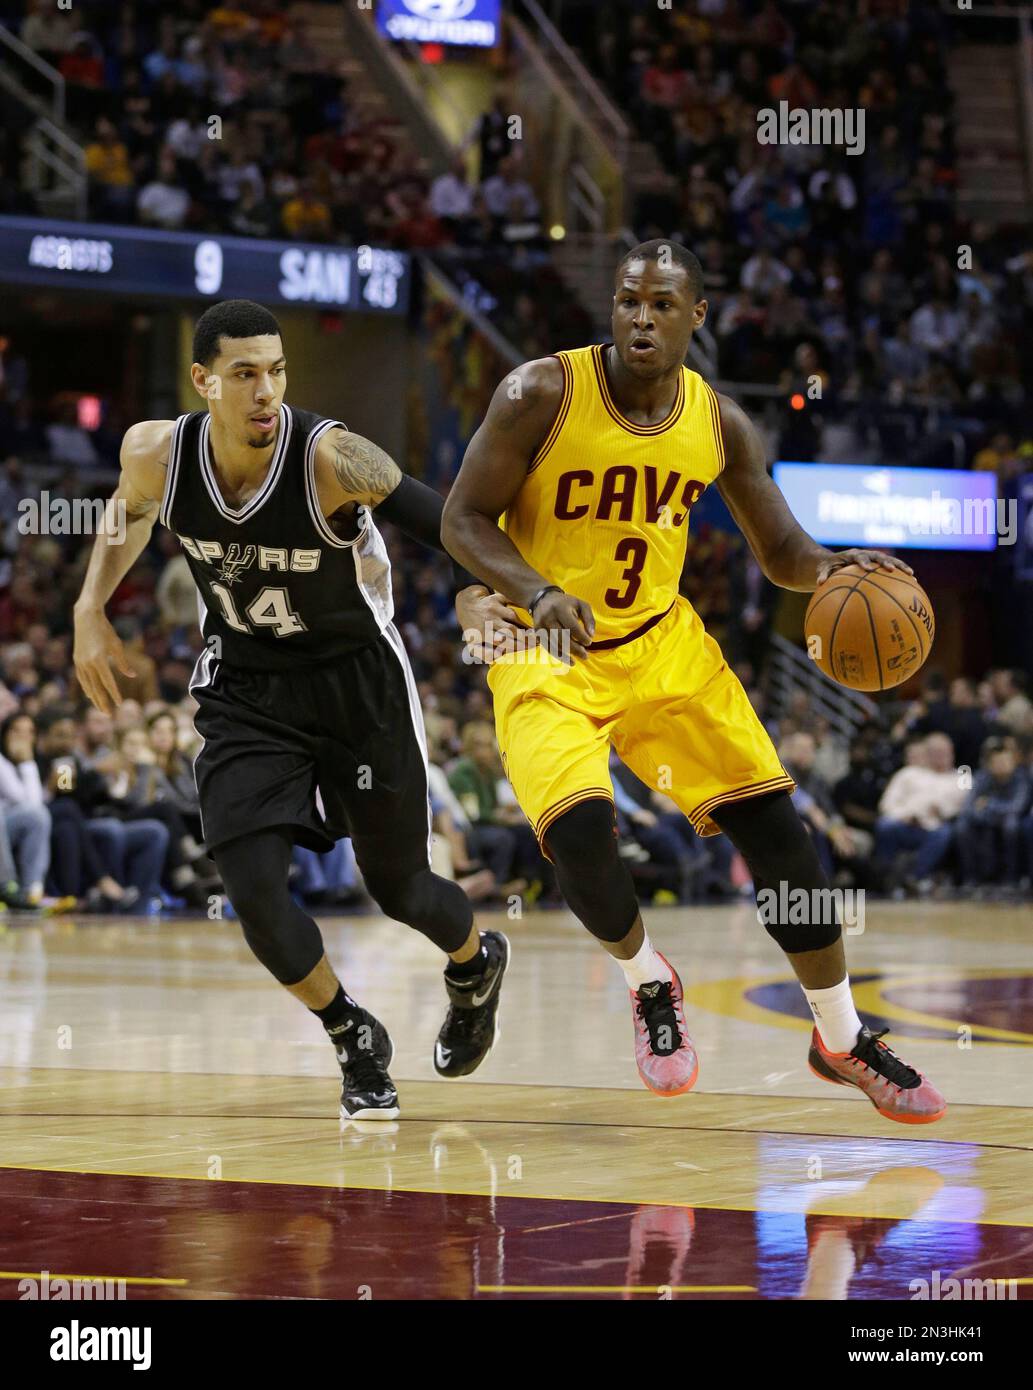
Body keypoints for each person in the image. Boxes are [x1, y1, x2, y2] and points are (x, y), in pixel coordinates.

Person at [442, 239, 946, 1123]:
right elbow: (461, 517)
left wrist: (829, 569)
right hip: (542, 649)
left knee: (782, 837)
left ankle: (840, 1037)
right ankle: (649, 981)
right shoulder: (539, 393)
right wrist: (534, 589)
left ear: (695, 318)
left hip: (665, 646)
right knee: (584, 837)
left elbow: (780, 549)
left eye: (661, 305)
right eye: (628, 301)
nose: (641, 317)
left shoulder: (719, 423)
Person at [73, 298, 513, 1122]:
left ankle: (473, 961)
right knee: (254, 895)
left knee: (402, 889)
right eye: (244, 375)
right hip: (247, 686)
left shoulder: (333, 457)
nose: (265, 392)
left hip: (356, 682)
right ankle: (350, 1035)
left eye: (276, 372)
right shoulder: (154, 454)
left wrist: (469, 597)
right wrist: (88, 606)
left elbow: (447, 522)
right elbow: (127, 514)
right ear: (203, 382)